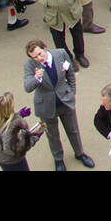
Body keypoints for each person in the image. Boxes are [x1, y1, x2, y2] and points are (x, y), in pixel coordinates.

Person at [23, 38, 95, 171]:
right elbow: (27, 87)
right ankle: (58, 160)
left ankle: (80, 154)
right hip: (46, 106)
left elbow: (70, 74)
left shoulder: (60, 54)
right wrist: (36, 78)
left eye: (40, 54)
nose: (39, 58)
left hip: (65, 100)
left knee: (73, 129)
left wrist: (72, 93)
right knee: (52, 134)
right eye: (35, 57)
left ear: (45, 47)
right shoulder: (30, 65)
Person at [0, 91, 43, 171]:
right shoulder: (14, 128)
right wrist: (35, 137)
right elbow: (20, 149)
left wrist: (19, 114)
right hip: (13, 161)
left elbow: (4, 121)